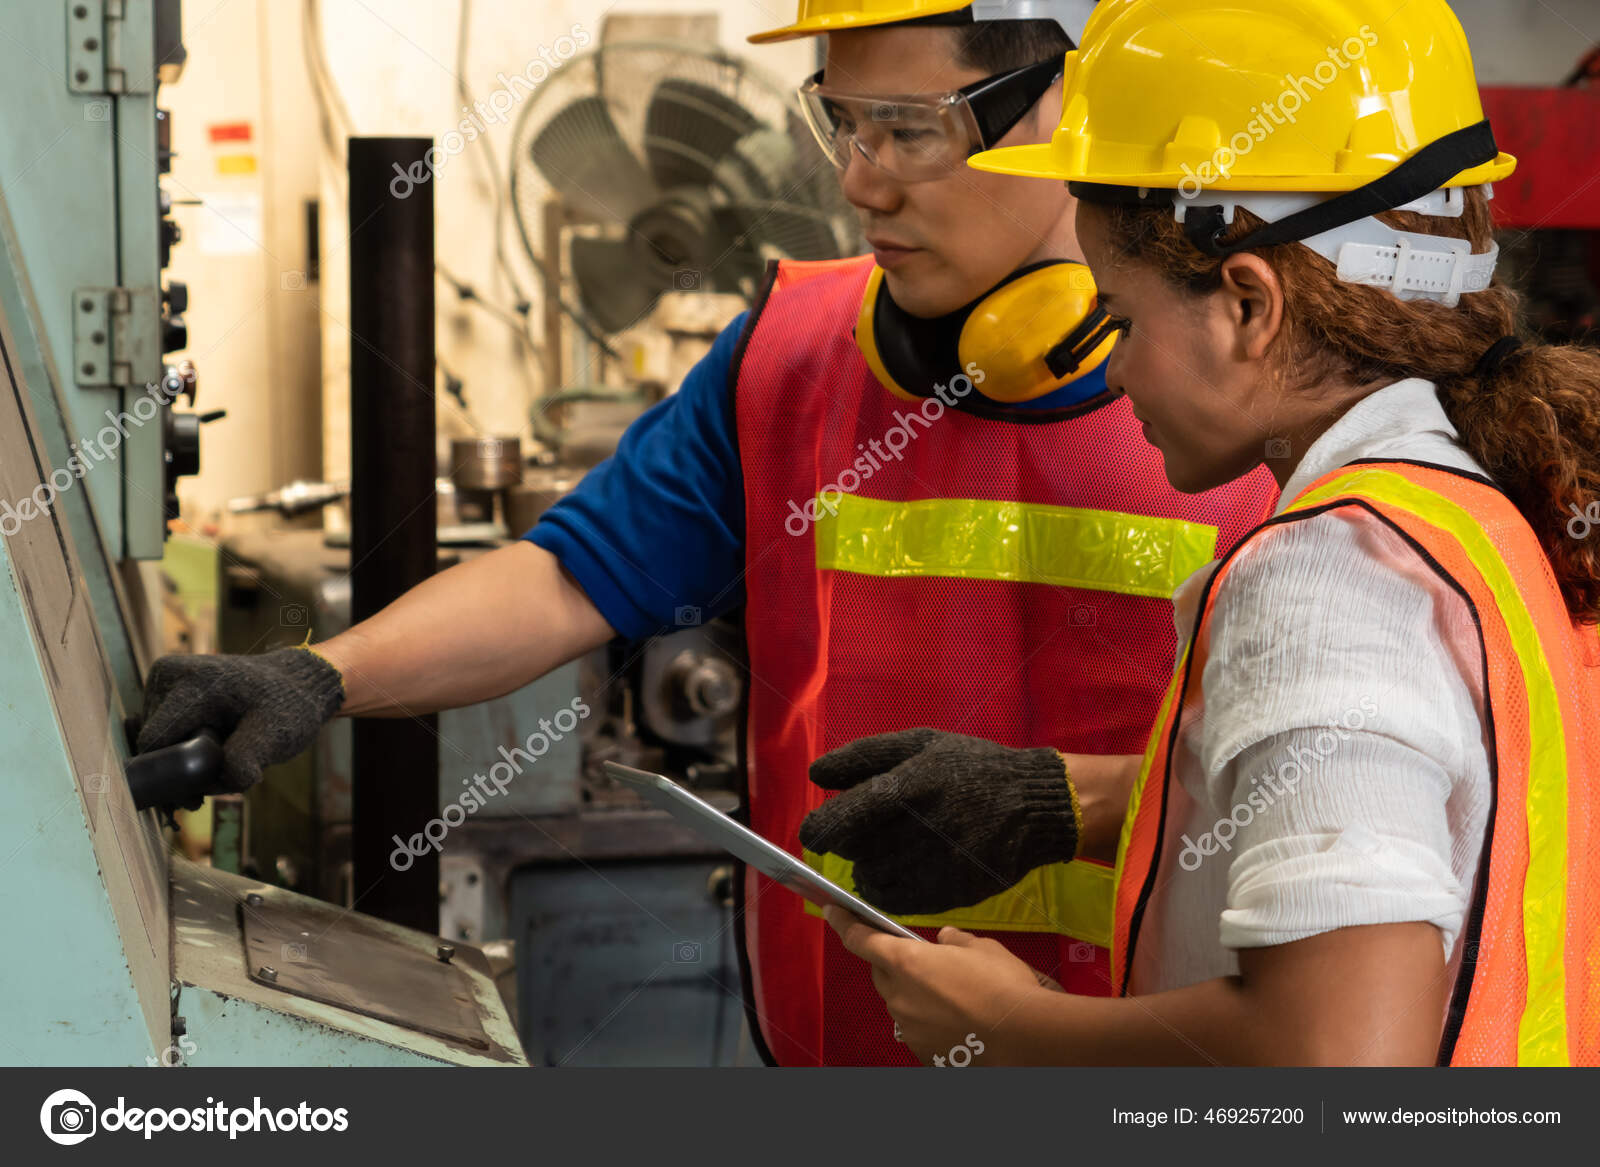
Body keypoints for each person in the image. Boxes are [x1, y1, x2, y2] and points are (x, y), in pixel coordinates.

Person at [134, 0, 1279, 1067]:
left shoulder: (1258, 392)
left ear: (1064, 110)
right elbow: (565, 580)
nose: (859, 185)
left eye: (907, 131)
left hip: (1154, 1056)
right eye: (838, 122)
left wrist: (1065, 810)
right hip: (838, 1041)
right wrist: (316, 675)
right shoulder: (791, 357)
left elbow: (1361, 788)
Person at [821, 0, 1600, 1067]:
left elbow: (1339, 1057)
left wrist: (1007, 1026)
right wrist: (1077, 802)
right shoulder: (1471, 510)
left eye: (1120, 320)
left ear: (1247, 303)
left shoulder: (1331, 574)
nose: (1112, 368)